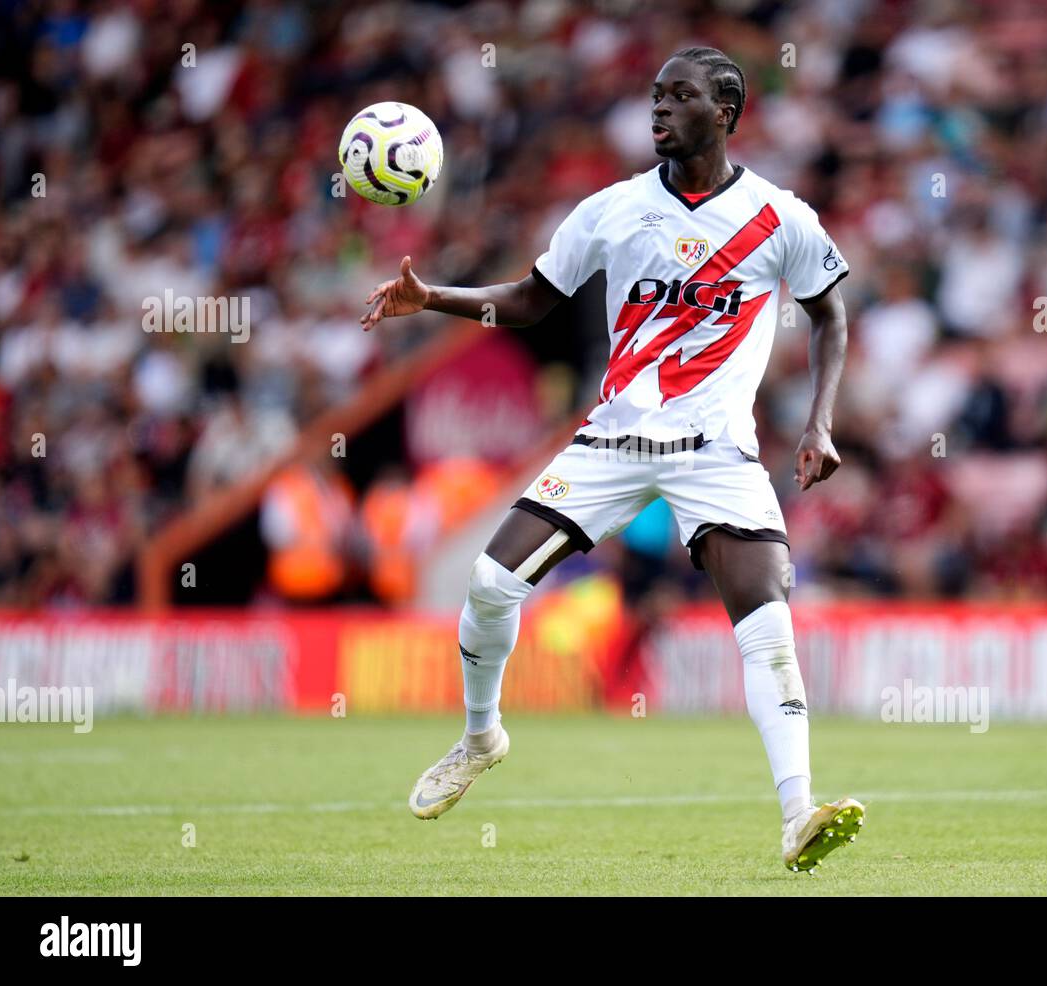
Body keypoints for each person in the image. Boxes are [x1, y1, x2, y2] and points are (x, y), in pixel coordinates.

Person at [362, 47, 862, 872]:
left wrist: (820, 424)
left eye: (680, 97)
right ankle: (482, 736)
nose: (659, 110)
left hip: (716, 454)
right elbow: (530, 301)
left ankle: (798, 812)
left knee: (767, 625)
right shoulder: (612, 210)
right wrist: (433, 297)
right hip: (613, 440)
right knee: (490, 584)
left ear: (727, 111)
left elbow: (831, 315)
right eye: (655, 96)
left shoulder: (782, 219)